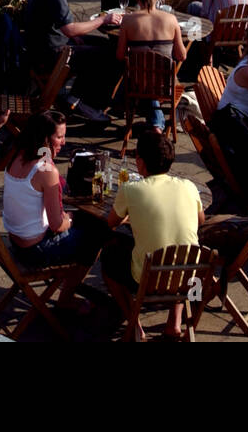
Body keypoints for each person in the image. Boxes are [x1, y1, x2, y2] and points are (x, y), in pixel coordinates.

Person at [102, 130, 203, 339]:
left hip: (147, 280)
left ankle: (135, 324)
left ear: (140, 161)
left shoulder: (130, 189)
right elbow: (199, 220)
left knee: (109, 257)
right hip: (188, 278)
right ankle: (174, 323)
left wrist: (133, 214)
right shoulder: (189, 186)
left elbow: (111, 223)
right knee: (177, 250)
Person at [2, 110, 100, 299]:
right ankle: (66, 297)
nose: (63, 142)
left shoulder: (16, 155)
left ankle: (67, 284)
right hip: (36, 252)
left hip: (16, 242)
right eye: (60, 137)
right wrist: (70, 219)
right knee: (96, 234)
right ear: (45, 138)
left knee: (83, 222)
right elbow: (57, 225)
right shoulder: (46, 170)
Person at [115, 0, 188, 131]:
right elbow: (182, 56)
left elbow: (120, 56)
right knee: (155, 79)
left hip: (137, 84)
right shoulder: (171, 19)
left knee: (143, 78)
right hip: (166, 85)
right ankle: (157, 123)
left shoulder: (127, 21)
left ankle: (154, 121)